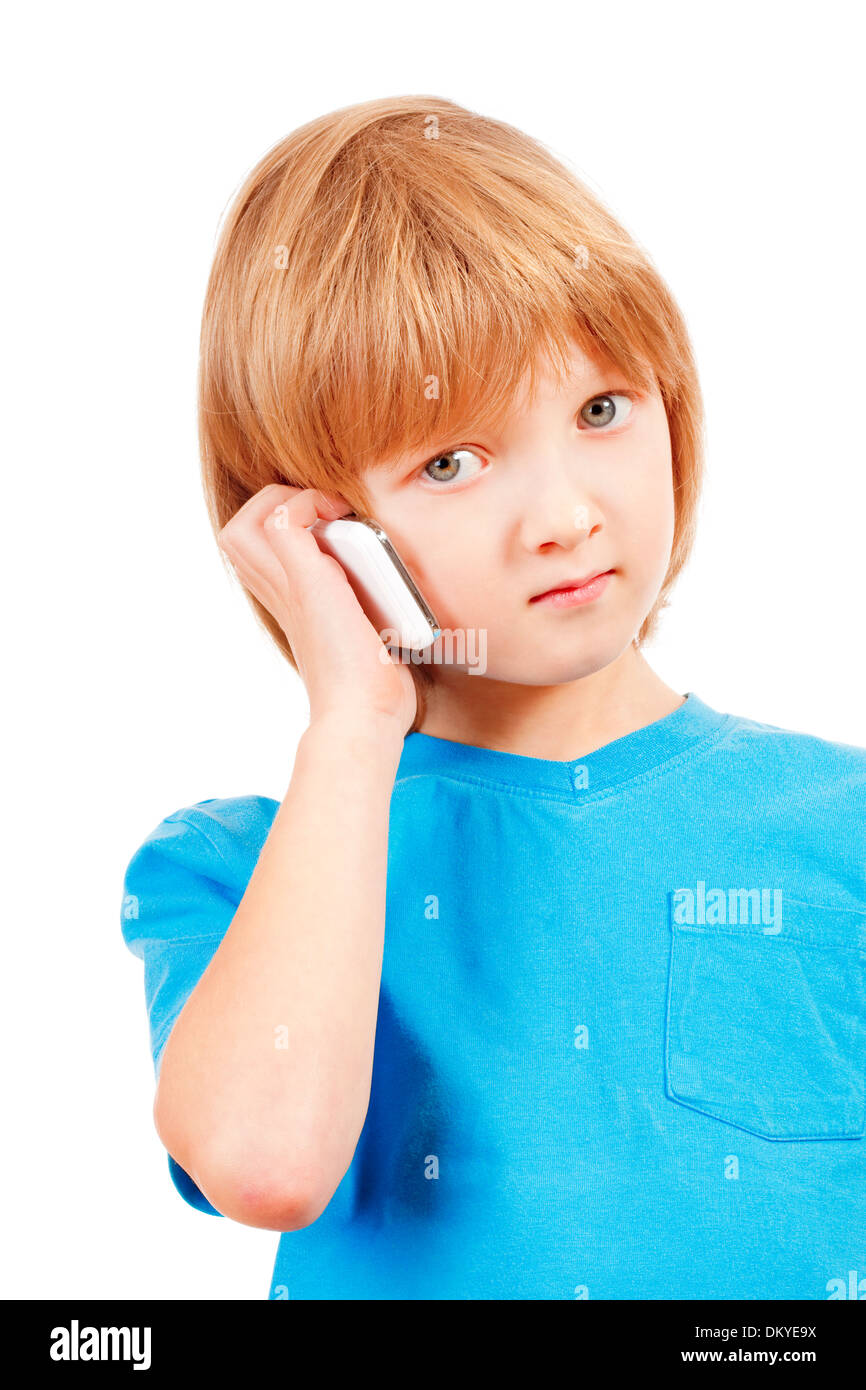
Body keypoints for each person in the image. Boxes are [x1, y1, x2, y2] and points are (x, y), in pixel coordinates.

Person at [121, 94, 866, 1300]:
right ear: (321, 533)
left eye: (600, 409)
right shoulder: (234, 870)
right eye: (451, 461)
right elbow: (265, 1162)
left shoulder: (840, 824)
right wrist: (354, 727)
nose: (567, 514)